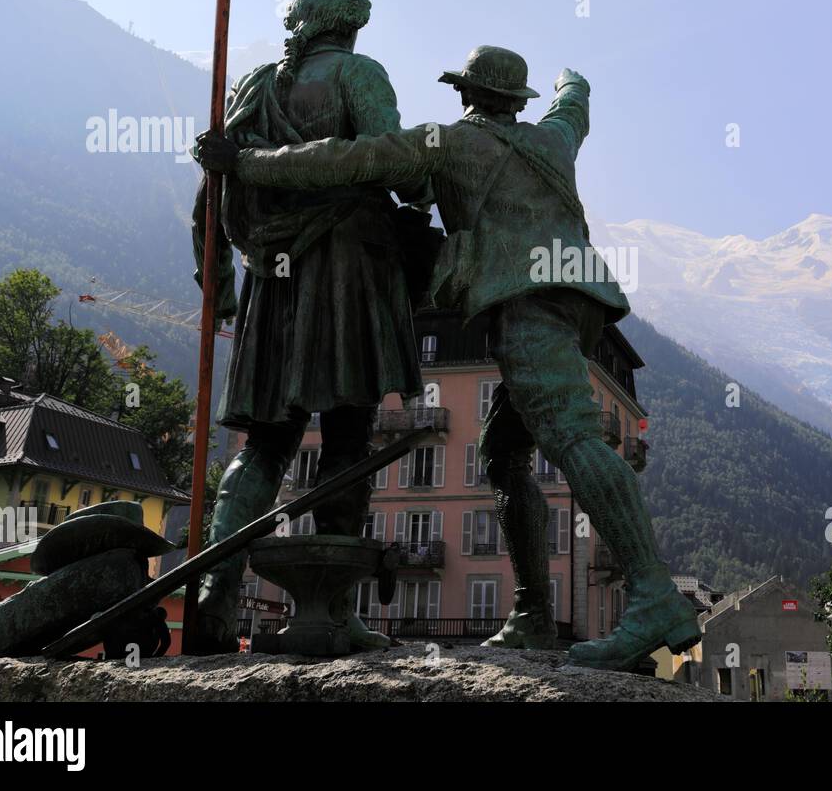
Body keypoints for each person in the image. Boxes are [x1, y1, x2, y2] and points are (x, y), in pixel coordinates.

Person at [196, 45, 701, 671]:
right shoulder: (552, 140)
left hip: (527, 297)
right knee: (503, 451)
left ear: (466, 95)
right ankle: (534, 614)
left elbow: (348, 159)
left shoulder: (448, 142)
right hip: (583, 298)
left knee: (573, 439)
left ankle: (653, 595)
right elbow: (576, 106)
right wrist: (572, 78)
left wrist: (246, 162)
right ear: (518, 102)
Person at [190, 0, 428, 653]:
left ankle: (213, 594)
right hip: (347, 264)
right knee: (346, 435)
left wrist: (216, 280)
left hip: (272, 275)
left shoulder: (257, 85)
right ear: (350, 27)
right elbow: (392, 158)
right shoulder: (359, 74)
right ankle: (332, 613)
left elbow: (214, 183)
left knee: (266, 441)